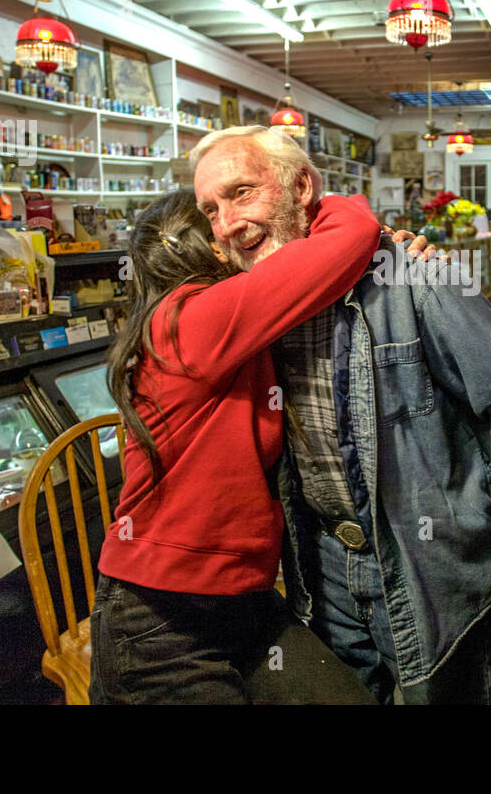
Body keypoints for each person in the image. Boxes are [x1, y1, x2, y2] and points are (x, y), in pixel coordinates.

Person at [192, 127, 491, 705]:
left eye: (241, 193)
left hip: (427, 564)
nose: (228, 223)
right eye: (212, 209)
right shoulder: (246, 308)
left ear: (301, 186)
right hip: (321, 569)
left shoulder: (413, 277)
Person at [90, 185, 386, 704]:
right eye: (217, 217)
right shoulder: (198, 315)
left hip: (241, 600)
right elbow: (353, 235)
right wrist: (312, 202)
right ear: (210, 245)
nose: (237, 226)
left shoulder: (199, 314)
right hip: (161, 619)